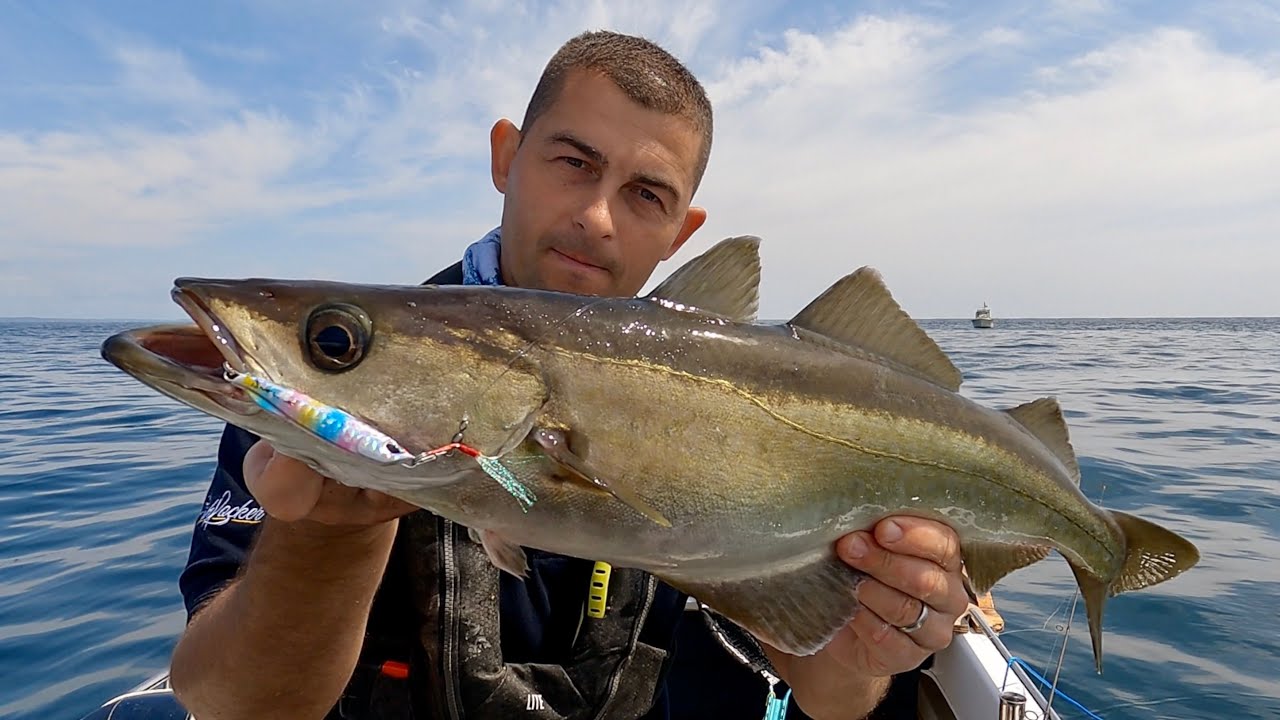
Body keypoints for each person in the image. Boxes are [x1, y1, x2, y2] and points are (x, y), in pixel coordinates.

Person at [168, 30, 970, 720]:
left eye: (646, 194)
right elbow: (231, 704)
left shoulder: (734, 399)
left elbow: (829, 694)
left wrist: (872, 641)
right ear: (507, 157)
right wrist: (324, 536)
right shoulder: (345, 368)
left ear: (682, 232)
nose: (597, 216)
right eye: (574, 162)